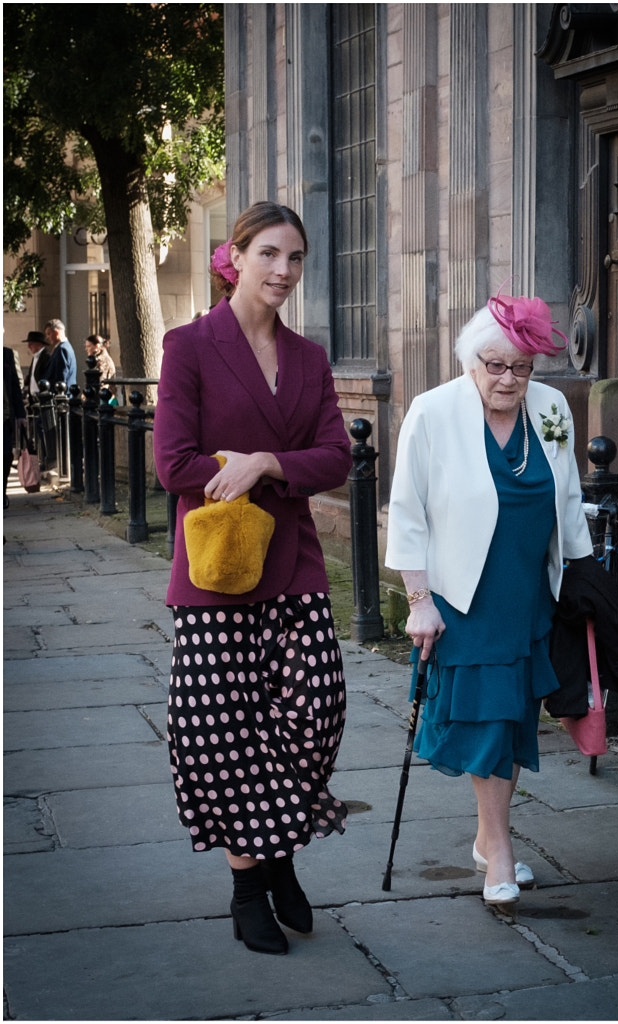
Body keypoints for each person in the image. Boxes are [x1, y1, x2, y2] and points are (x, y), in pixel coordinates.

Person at [153, 201, 352, 956]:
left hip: (294, 563)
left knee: (318, 710)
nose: (283, 271)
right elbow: (172, 464)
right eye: (269, 253)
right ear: (234, 256)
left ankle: (279, 850)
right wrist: (235, 470)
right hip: (217, 576)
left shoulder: (310, 358)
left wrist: (266, 462)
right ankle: (251, 884)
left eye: (295, 258)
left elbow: (335, 456)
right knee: (221, 732)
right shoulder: (190, 346)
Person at [385, 288, 593, 908]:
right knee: (487, 722)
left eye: (522, 366)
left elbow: (569, 497)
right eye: (496, 365)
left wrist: (580, 582)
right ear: (470, 360)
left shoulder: (552, 407)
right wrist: (418, 599)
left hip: (530, 595)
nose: (510, 378)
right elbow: (407, 512)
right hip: (464, 597)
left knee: (516, 720)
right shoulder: (433, 411)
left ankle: (486, 836)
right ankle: (499, 851)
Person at [4, 346, 26, 508]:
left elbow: (15, 386)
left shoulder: (7, 354)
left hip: (5, 415)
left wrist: (21, 414)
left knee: (6, 455)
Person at [44, 319, 77, 389]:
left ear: (56, 333)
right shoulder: (64, 347)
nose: (47, 337)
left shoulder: (62, 349)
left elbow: (61, 377)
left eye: (49, 334)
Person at [24, 331, 52, 396]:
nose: (28, 346)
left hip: (42, 396)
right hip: (33, 396)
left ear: (39, 344)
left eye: (31, 344)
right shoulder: (35, 356)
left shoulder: (46, 357)